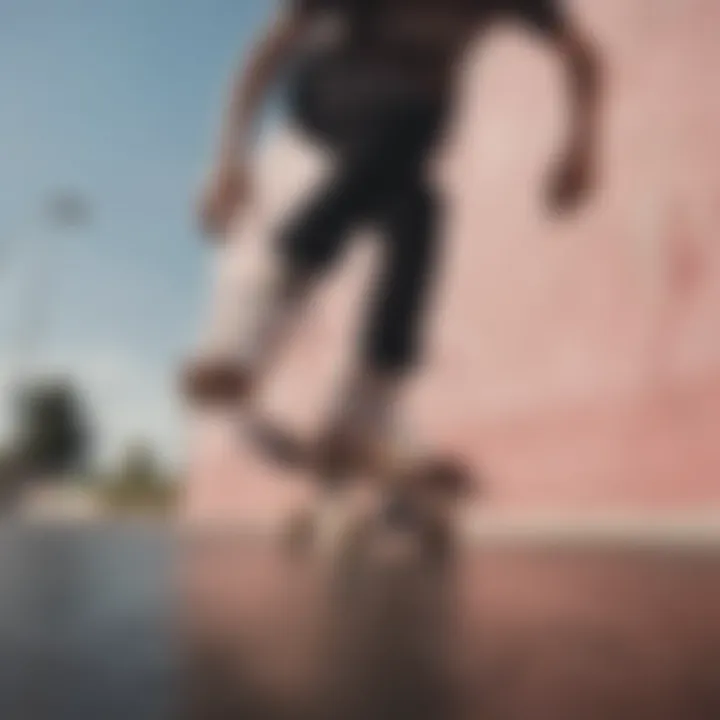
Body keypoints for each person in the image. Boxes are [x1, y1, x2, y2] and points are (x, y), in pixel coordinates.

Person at [183, 0, 602, 531]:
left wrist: (582, 145)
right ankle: (253, 327)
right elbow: (267, 53)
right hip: (331, 91)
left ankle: (365, 405)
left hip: (407, 126)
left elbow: (581, 56)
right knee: (409, 118)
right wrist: (229, 158)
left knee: (422, 211)